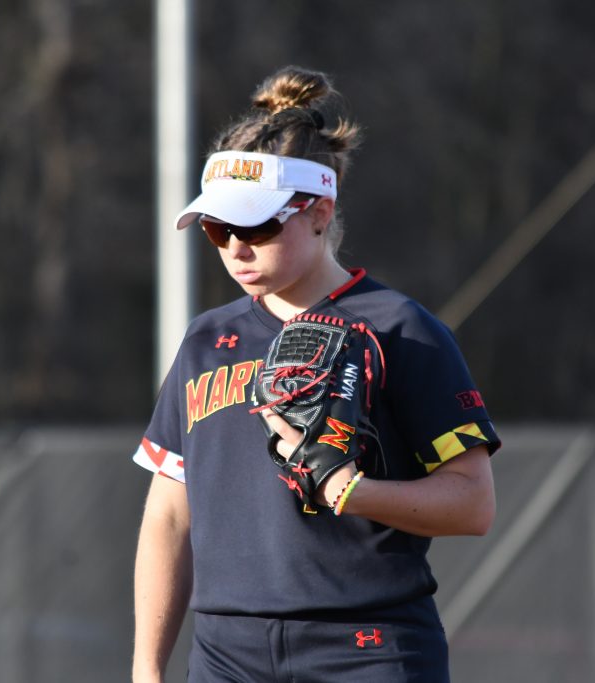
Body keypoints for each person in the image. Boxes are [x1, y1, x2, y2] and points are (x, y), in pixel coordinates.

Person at [132, 66, 501, 683]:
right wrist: (146, 669)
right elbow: (169, 517)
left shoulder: (401, 329)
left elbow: (473, 505)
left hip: (365, 648)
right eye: (218, 228)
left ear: (320, 211)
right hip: (226, 655)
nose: (235, 247)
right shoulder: (205, 341)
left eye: (258, 224)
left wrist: (354, 493)